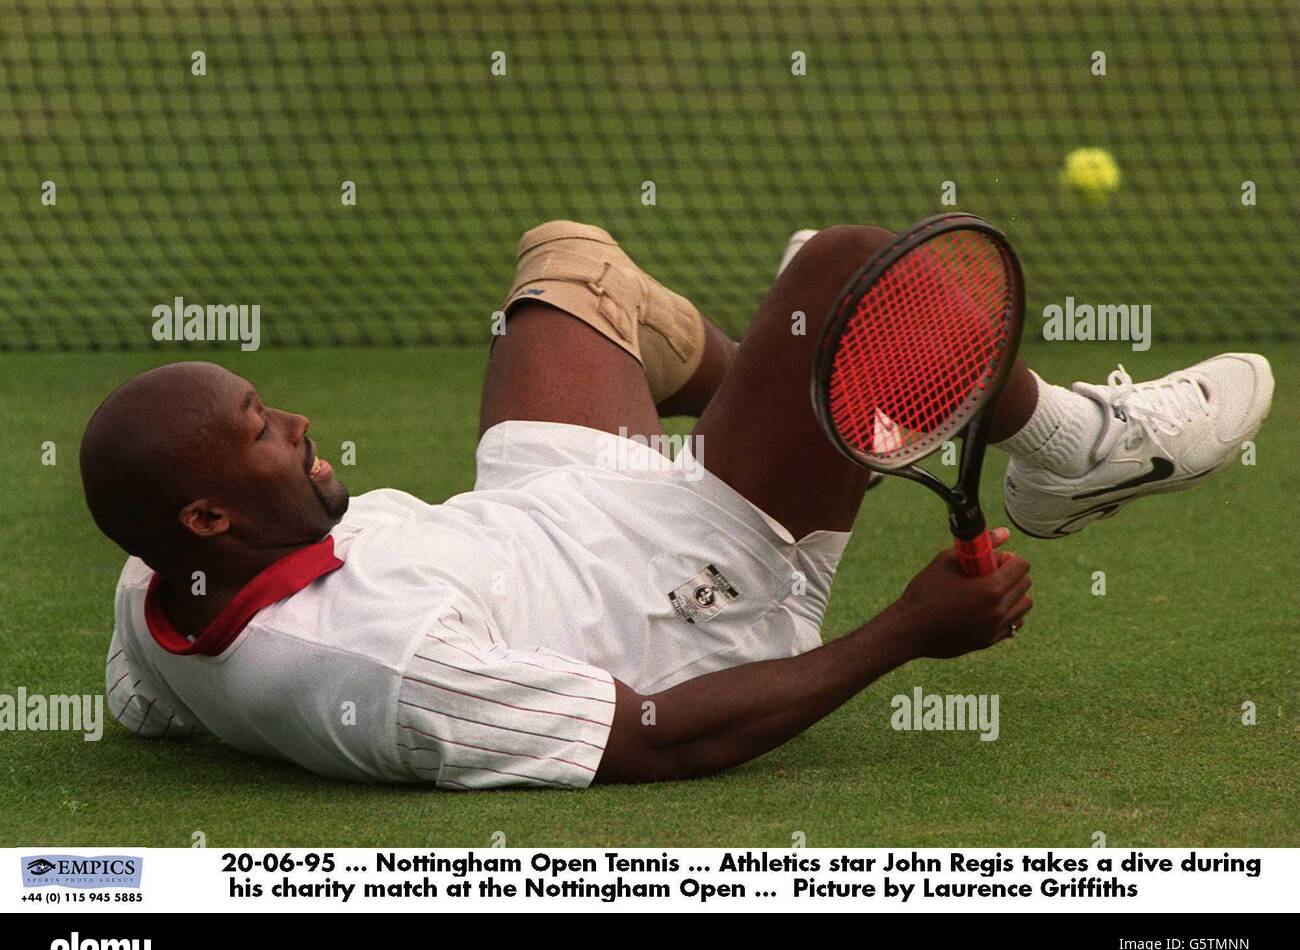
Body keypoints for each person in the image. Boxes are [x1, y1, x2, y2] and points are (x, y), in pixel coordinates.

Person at [80, 221, 1273, 788]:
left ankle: (816, 398)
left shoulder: (156, 596)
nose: (292, 423)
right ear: (207, 520)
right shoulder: (388, 669)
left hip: (546, 508)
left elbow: (149, 695)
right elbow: (662, 737)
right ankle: (1072, 448)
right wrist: (908, 630)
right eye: (257, 432)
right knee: (844, 272)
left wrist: (799, 412)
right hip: (697, 591)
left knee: (571, 270)